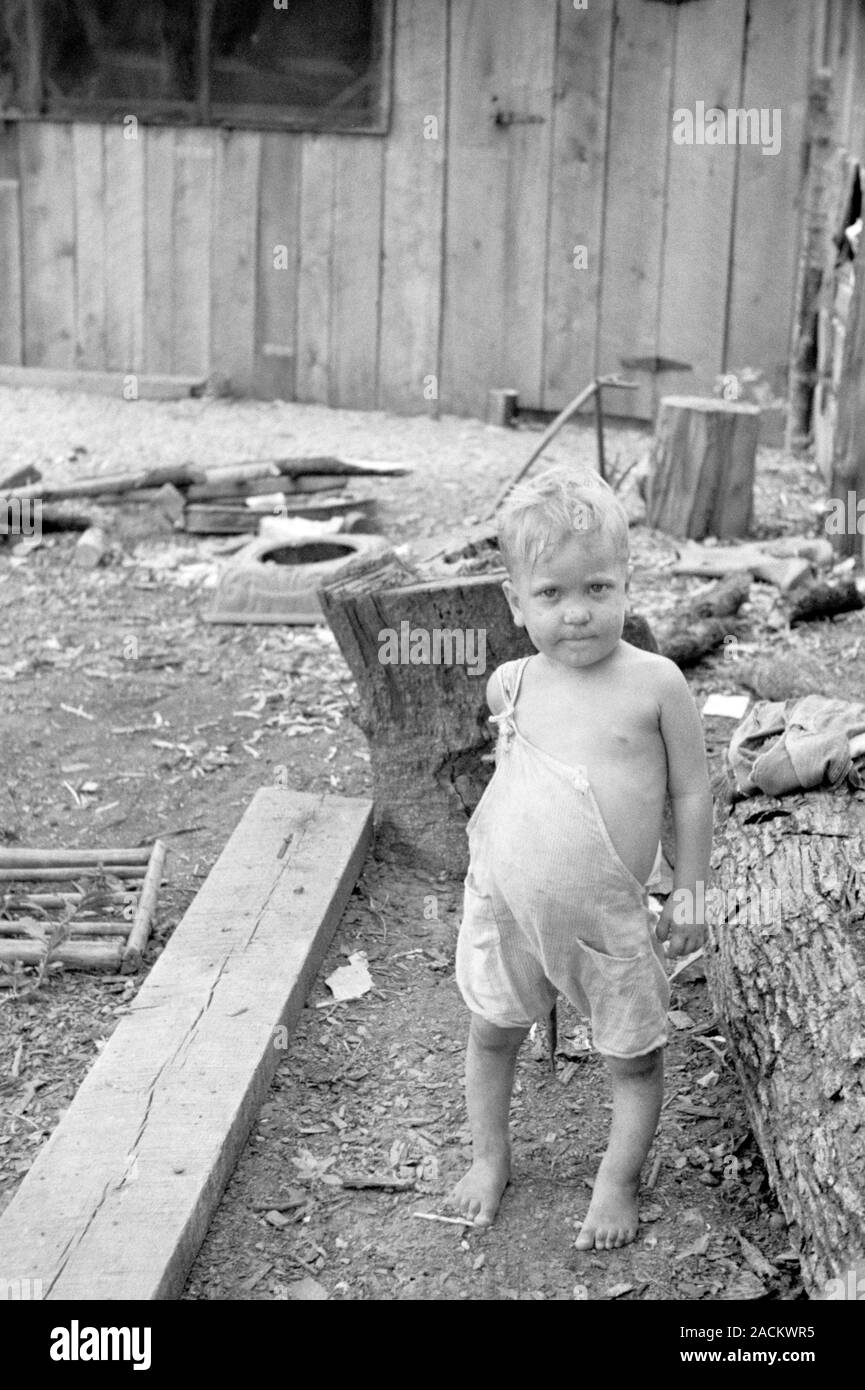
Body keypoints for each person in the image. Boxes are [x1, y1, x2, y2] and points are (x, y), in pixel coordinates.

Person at [449, 466, 713, 1248]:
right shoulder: (510, 686)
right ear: (514, 600)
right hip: (508, 912)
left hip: (609, 921)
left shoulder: (656, 684)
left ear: (628, 582)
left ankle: (616, 1177)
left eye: (598, 588)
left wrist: (693, 888)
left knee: (631, 1056)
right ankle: (489, 1157)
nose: (577, 614)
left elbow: (693, 793)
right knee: (490, 1030)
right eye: (553, 595)